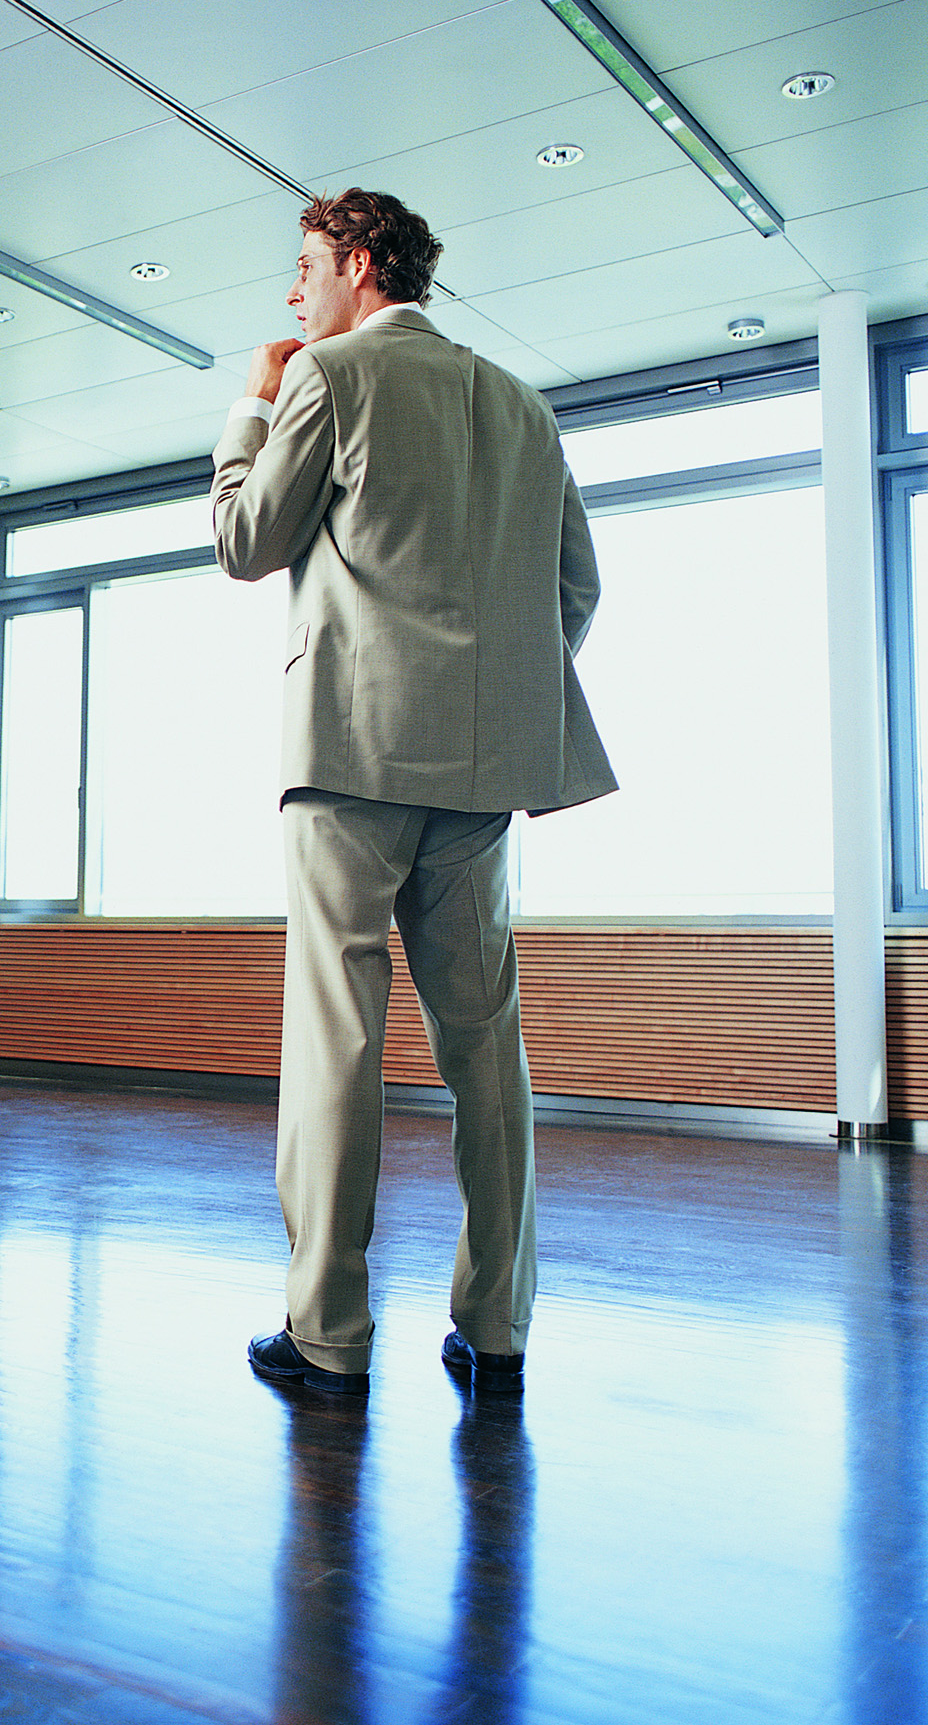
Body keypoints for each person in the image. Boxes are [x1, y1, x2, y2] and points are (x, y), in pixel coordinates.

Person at [213, 188, 615, 1398]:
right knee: (483, 1043)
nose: (294, 292)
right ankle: (495, 1328)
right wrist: (486, 700)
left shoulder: (327, 379)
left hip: (347, 757)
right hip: (482, 773)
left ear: (359, 263)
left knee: (335, 1036)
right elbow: (575, 592)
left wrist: (250, 401)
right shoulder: (520, 403)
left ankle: (327, 1332)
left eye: (304, 266)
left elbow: (244, 540)